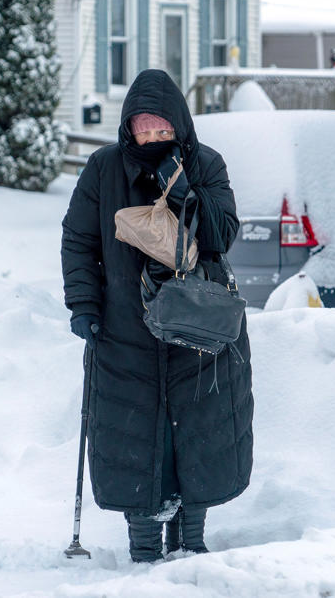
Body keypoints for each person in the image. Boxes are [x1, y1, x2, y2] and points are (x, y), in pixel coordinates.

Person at [61, 69, 254, 563]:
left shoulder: (206, 163)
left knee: (199, 430)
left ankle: (191, 537)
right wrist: (84, 305)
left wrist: (184, 187)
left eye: (161, 127)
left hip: (199, 329)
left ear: (179, 126)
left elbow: (222, 235)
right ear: (128, 128)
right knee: (132, 432)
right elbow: (79, 240)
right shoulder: (103, 170)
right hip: (125, 332)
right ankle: (143, 541)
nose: (151, 135)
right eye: (142, 127)